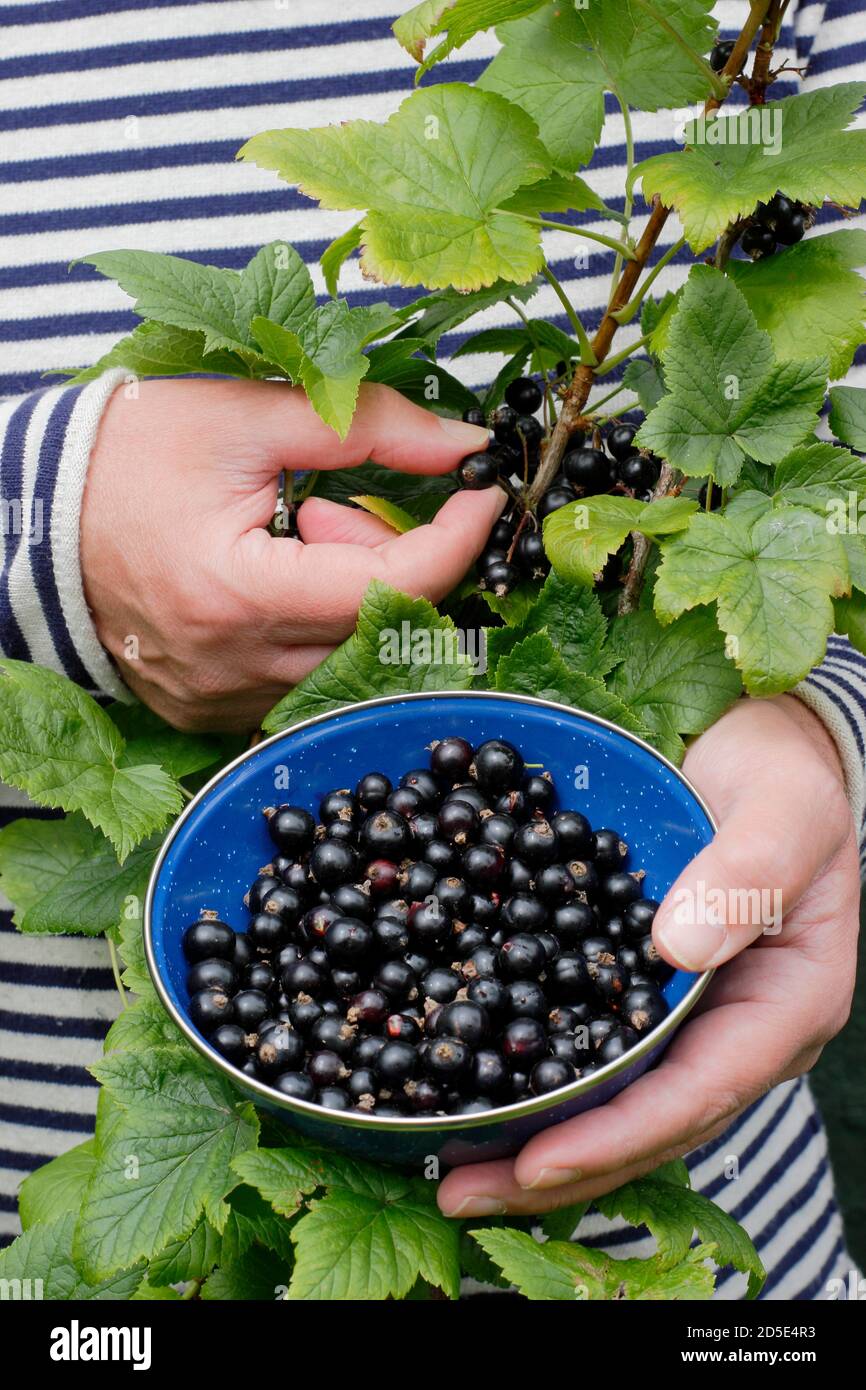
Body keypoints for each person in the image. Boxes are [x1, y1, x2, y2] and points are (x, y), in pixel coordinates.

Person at [1, 0, 864, 1299]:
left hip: (672, 1235)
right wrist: (50, 524)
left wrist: (817, 730)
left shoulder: (762, 27)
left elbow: (834, 501)